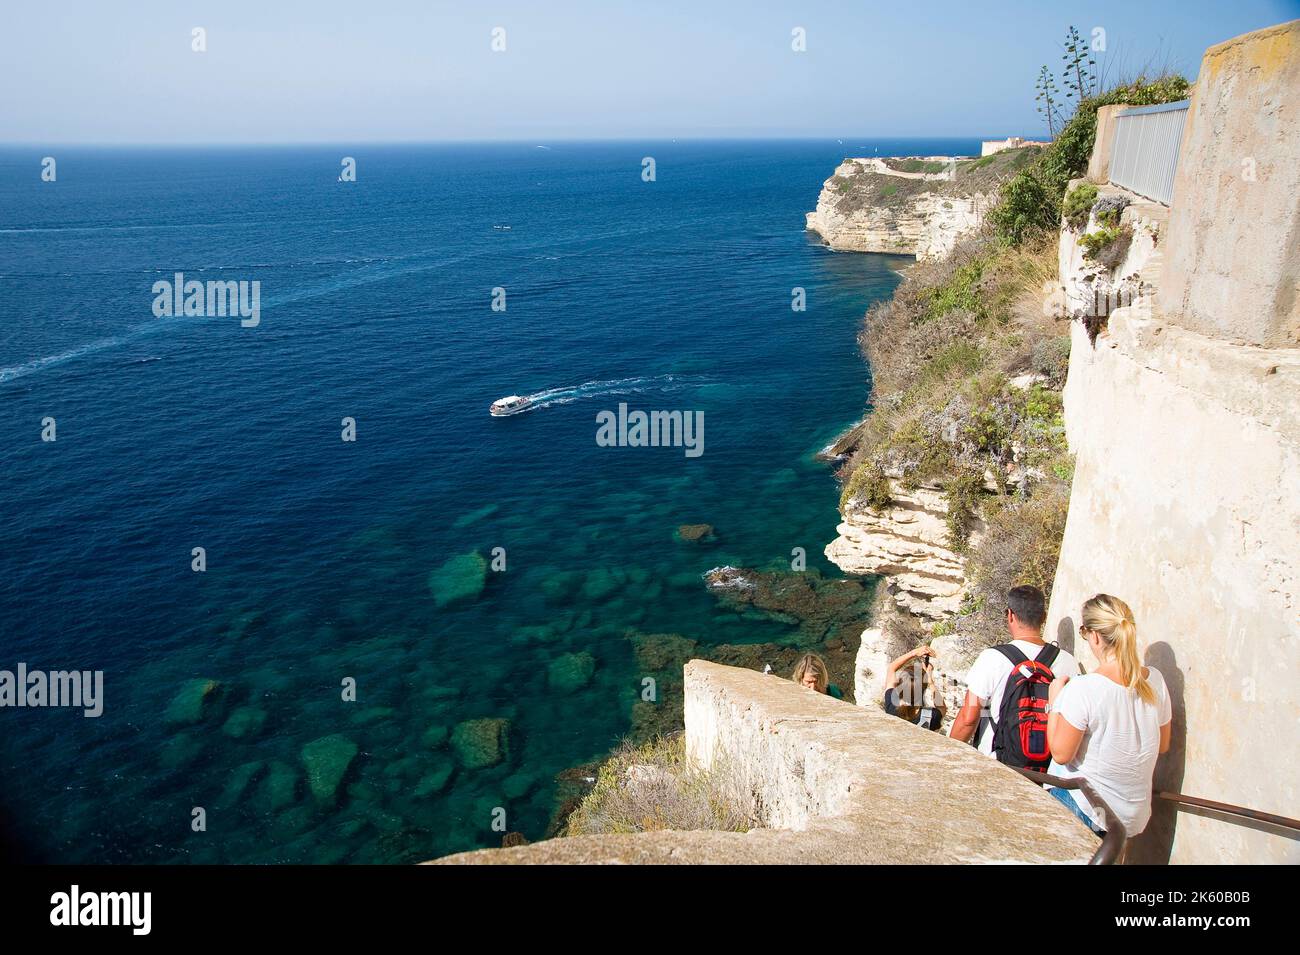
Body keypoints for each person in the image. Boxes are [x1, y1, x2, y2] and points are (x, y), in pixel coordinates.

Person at [1046, 594, 1172, 837]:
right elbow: (1163, 744)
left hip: (1087, 808)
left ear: (1093, 635)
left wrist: (1055, 702)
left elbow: (1061, 754)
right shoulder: (1156, 680)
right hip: (1130, 815)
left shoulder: (1084, 688)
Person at [949, 585, 1079, 765]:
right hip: (1046, 770)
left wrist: (948, 756)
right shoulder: (1068, 663)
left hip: (999, 764)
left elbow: (968, 718)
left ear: (1010, 615)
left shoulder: (992, 658)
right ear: (1043, 617)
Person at [882, 645, 945, 731]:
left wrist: (914, 653)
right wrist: (930, 681)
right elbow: (942, 708)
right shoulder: (931, 716)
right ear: (923, 688)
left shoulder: (892, 703)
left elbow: (891, 668)